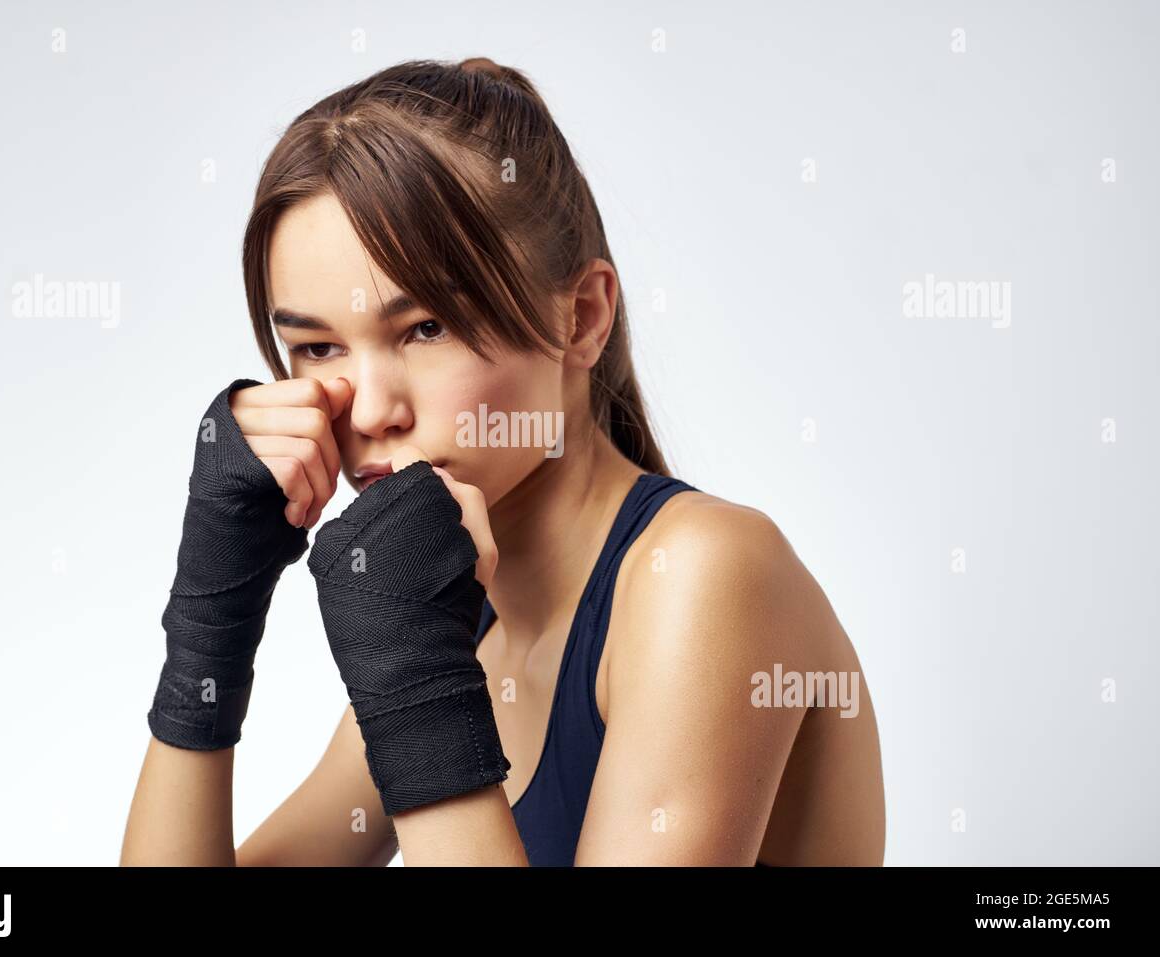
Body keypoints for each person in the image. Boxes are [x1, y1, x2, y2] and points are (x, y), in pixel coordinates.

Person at [120, 56, 885, 867]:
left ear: (581, 318)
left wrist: (417, 693)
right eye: (316, 347)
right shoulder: (463, 623)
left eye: (426, 328)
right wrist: (213, 616)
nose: (374, 411)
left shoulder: (706, 574)